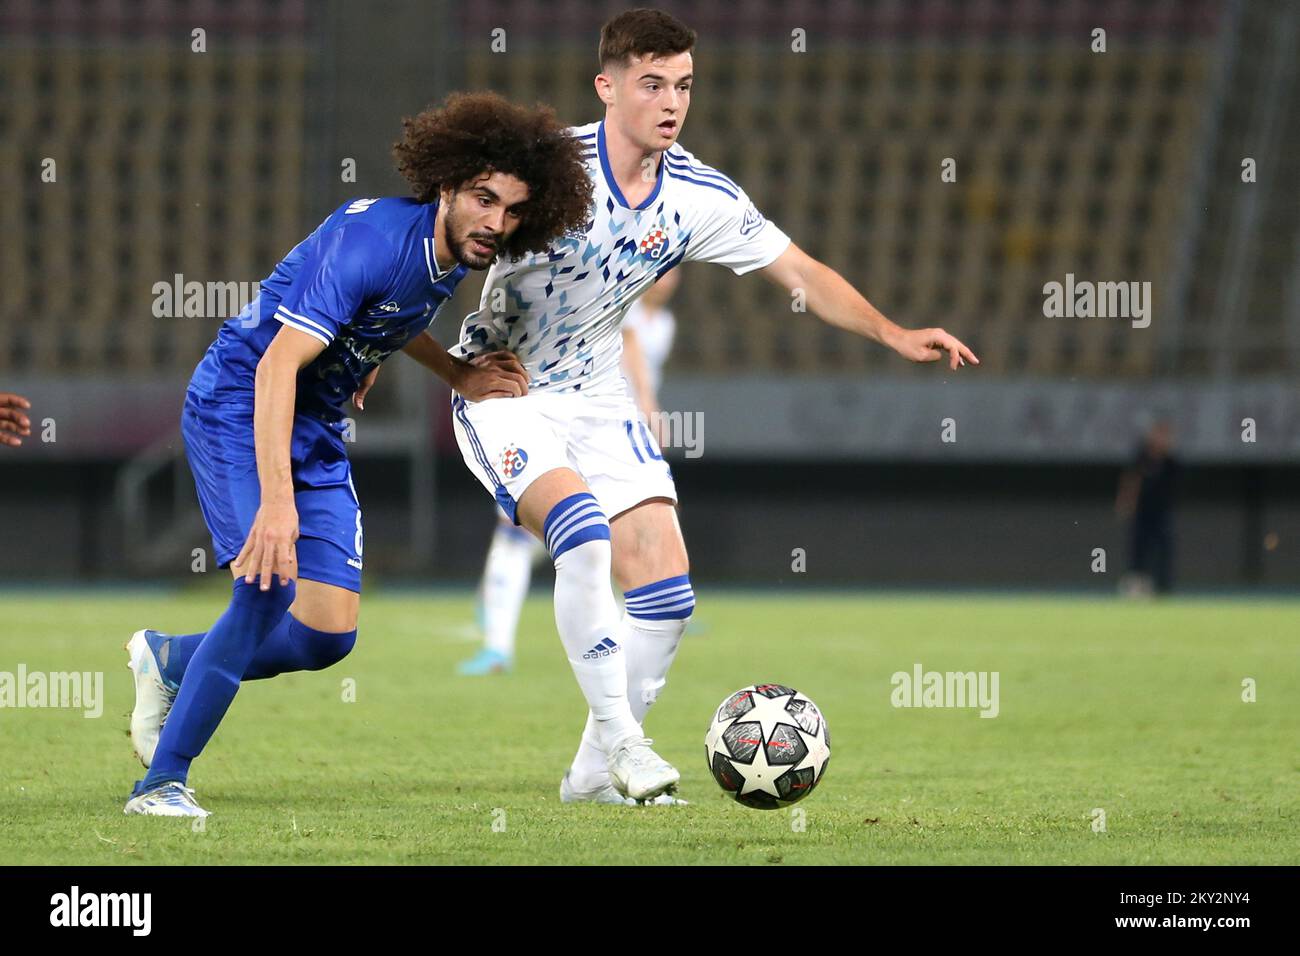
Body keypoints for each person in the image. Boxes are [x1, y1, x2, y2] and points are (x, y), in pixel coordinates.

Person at [380, 9, 977, 806]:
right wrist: (402, 355)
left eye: (684, 86)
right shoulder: (551, 172)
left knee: (666, 592)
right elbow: (442, 244)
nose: (671, 102)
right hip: (507, 390)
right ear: (608, 86)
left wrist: (893, 332)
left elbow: (799, 271)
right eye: (653, 83)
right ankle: (628, 742)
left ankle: (593, 775)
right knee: (582, 533)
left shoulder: (697, 195)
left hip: (597, 395)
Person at [121, 92, 594, 817]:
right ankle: (161, 783)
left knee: (324, 635)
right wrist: (278, 508)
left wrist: (458, 374)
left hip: (312, 425)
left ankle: (172, 660)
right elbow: (278, 365)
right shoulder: (373, 240)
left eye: (513, 209)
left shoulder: (446, 253)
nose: (496, 223)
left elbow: (396, 315)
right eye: (483, 198)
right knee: (268, 587)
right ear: (446, 185)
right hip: (240, 407)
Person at [454, 268, 681, 677]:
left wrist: (646, 411)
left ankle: (615, 635)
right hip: (564, 427)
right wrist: (649, 405)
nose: (668, 279)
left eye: (675, 274)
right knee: (526, 537)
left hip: (612, 439)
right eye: (666, 271)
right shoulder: (613, 299)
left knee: (593, 543)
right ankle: (498, 641)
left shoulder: (664, 325)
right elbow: (628, 351)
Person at [1117, 419, 1177, 595]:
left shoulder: (1171, 462)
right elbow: (1130, 481)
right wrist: (1125, 502)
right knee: (1138, 548)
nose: (1162, 439)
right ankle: (1135, 585)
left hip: (1161, 513)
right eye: (1159, 435)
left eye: (1165, 436)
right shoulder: (1141, 458)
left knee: (1164, 548)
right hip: (1142, 512)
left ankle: (1163, 587)